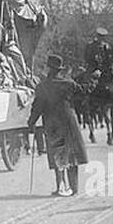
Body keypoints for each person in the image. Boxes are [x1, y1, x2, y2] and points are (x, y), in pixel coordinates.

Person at [28, 54, 89, 196]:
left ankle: (60, 187)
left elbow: (37, 107)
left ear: (48, 68)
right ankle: (74, 188)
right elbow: (83, 93)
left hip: (52, 123)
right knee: (72, 154)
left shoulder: (42, 86)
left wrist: (31, 122)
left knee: (57, 153)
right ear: (60, 70)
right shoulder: (69, 83)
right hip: (69, 121)